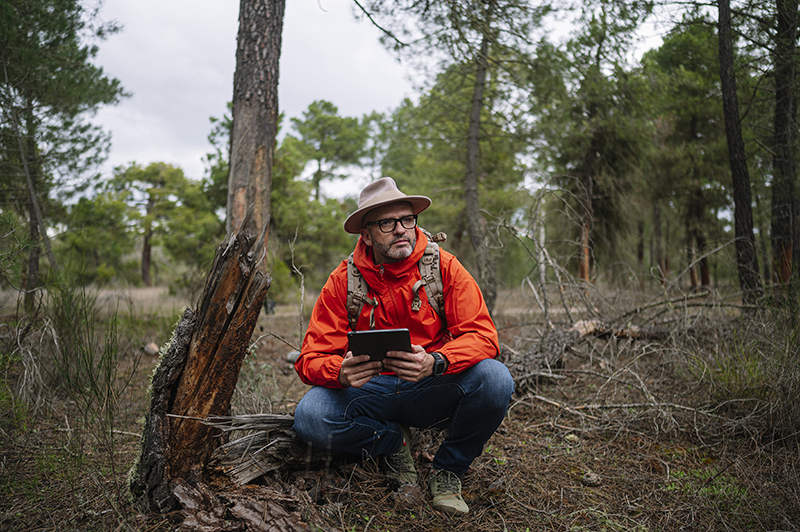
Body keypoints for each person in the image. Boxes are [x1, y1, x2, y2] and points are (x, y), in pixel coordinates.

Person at [293, 177, 514, 516]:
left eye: (407, 219)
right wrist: (340, 371)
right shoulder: (343, 282)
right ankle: (393, 443)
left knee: (496, 380)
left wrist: (438, 361)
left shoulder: (443, 266)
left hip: (429, 387)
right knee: (310, 418)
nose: (401, 230)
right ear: (366, 234)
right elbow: (310, 358)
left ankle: (448, 470)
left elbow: (484, 336)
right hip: (369, 391)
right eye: (387, 223)